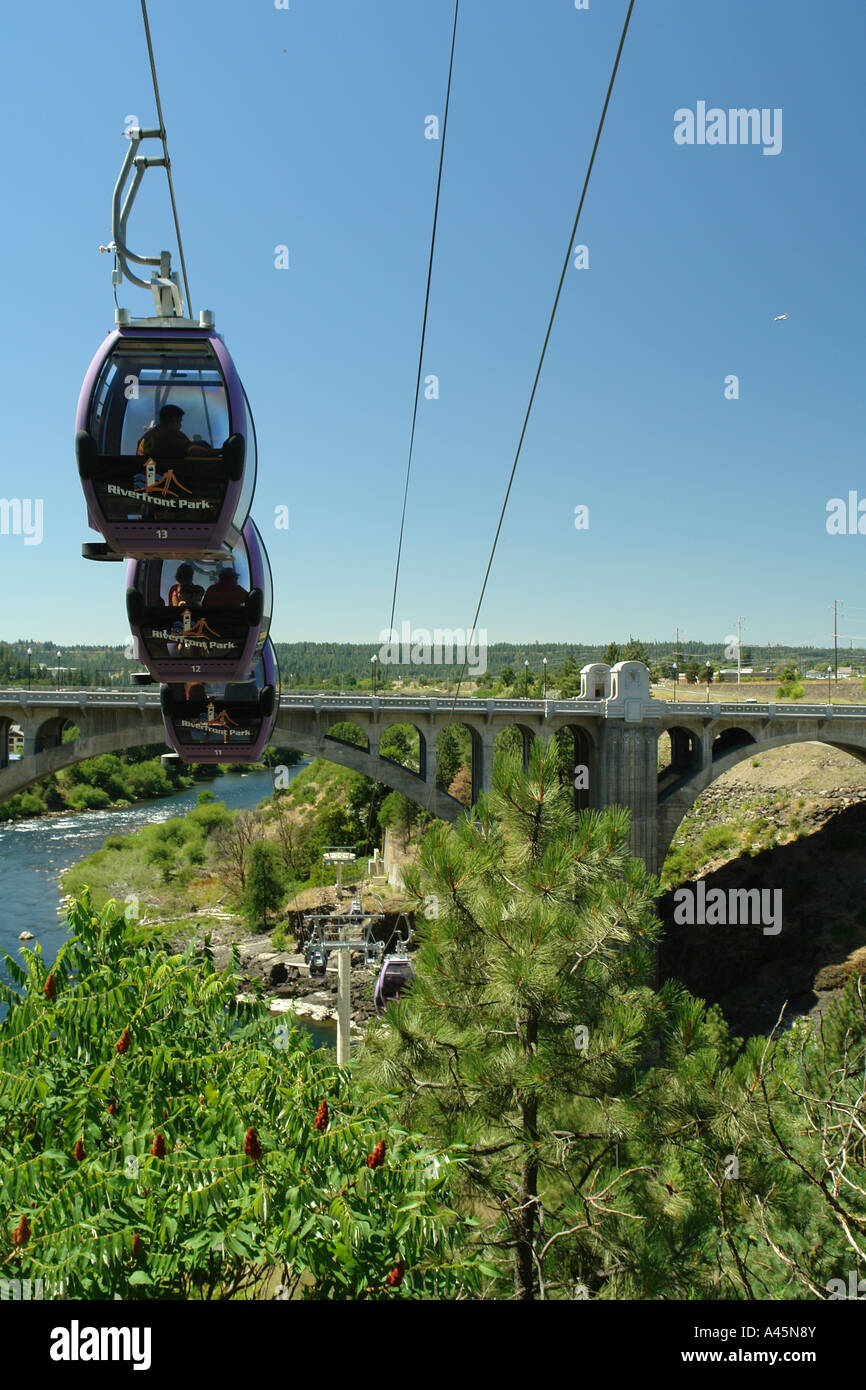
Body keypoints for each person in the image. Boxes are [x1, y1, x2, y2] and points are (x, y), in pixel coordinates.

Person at [137, 404, 217, 459]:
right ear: (174, 419)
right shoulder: (173, 435)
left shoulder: (146, 437)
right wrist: (217, 452)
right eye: (180, 421)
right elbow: (192, 450)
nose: (180, 425)